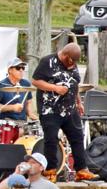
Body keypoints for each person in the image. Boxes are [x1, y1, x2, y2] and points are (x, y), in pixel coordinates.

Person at [31, 43, 99, 181]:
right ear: (65, 56)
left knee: (77, 137)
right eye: (71, 62)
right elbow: (35, 81)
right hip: (50, 109)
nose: (72, 65)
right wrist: (55, 88)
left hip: (69, 109)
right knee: (51, 139)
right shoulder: (47, 61)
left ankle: (81, 169)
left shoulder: (72, 65)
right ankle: (50, 171)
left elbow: (74, 84)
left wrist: (78, 102)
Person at [0, 57, 38, 123]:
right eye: (18, 68)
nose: (21, 70)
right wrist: (12, 107)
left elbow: (29, 102)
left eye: (23, 68)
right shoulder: (1, 85)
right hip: (5, 123)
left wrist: (30, 113)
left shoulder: (26, 84)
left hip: (22, 122)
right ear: (10, 70)